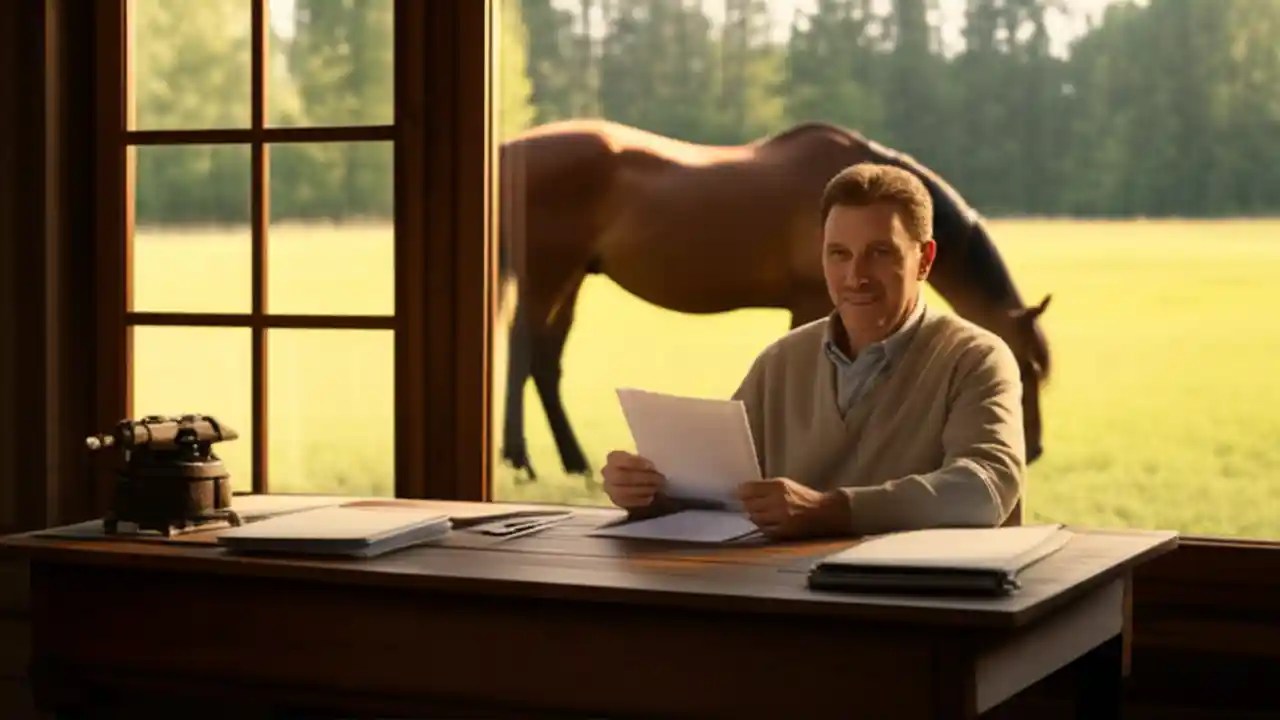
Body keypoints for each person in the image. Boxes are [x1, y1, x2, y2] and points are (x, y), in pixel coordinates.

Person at [601, 162, 1025, 539]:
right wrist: (653, 493)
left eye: (880, 253)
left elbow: (985, 488)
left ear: (925, 260)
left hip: (920, 611)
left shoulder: (977, 359)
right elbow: (724, 492)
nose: (855, 276)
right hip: (790, 602)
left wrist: (832, 510)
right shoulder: (781, 362)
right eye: (838, 254)